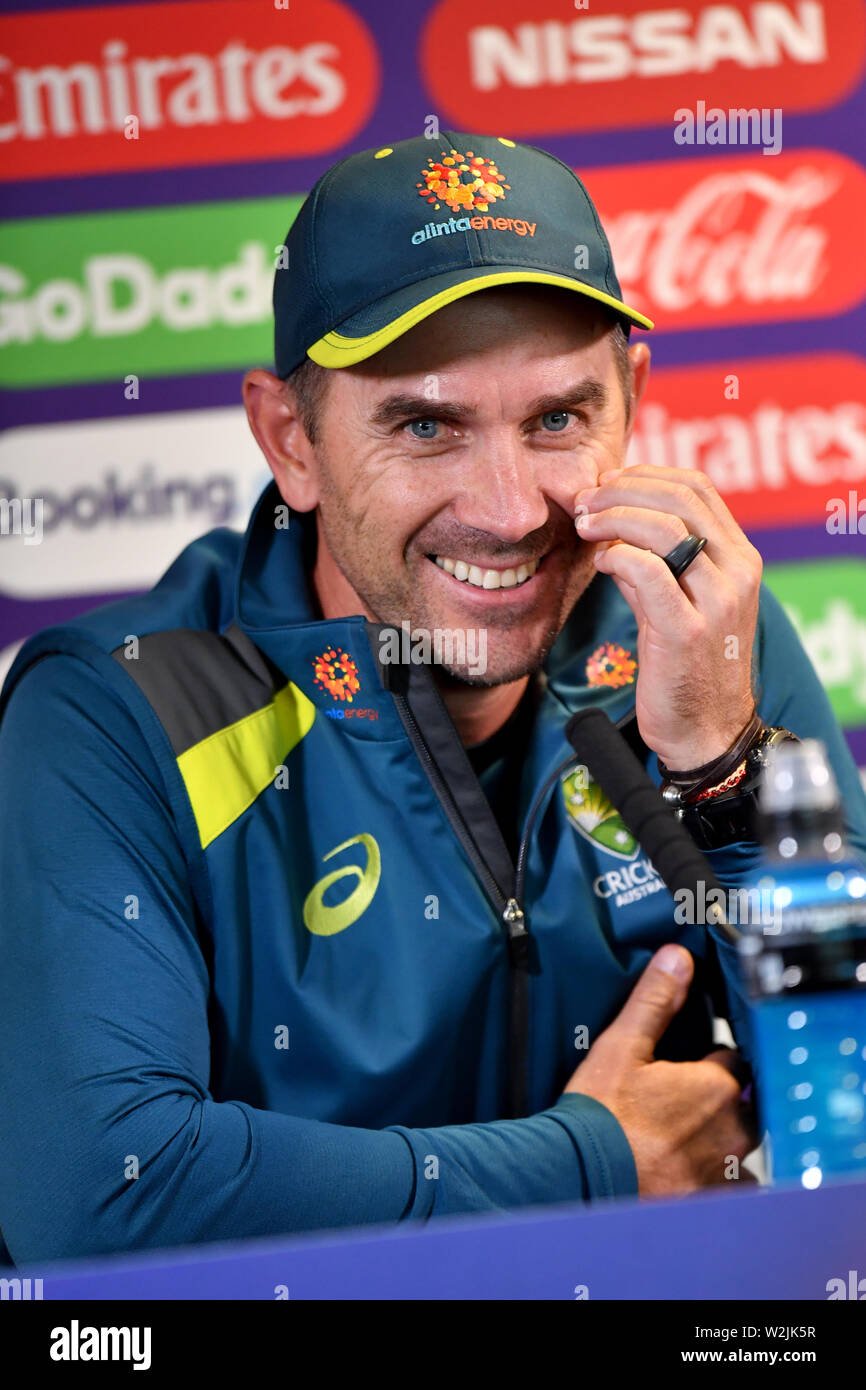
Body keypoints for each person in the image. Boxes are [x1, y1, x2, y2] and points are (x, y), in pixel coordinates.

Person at [1, 132, 864, 1266]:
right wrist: (592, 1162)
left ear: (631, 400)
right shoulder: (119, 709)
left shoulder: (696, 634)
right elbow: (97, 1194)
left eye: (556, 419)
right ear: (290, 441)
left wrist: (722, 773)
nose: (508, 511)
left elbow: (845, 1127)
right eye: (424, 426)